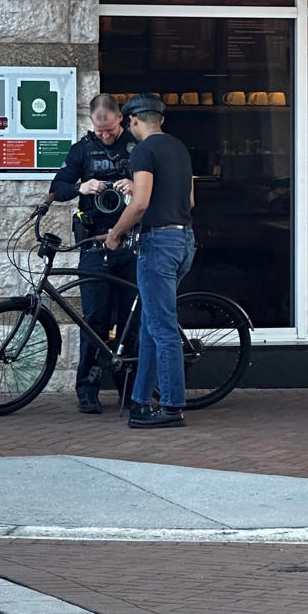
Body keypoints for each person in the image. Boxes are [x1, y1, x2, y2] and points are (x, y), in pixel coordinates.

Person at [101, 94, 196, 429]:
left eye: (128, 124)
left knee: (162, 327)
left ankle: (171, 407)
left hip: (158, 244)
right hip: (184, 239)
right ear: (161, 120)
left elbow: (140, 204)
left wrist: (115, 233)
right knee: (151, 325)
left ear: (134, 121)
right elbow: (189, 199)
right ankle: (140, 402)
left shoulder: (143, 151)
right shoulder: (179, 149)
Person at [50, 93, 137, 414]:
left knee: (133, 319)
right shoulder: (82, 150)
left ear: (121, 120)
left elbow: (158, 184)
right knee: (95, 319)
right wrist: (80, 188)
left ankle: (131, 390)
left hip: (132, 244)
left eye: (110, 130)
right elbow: (58, 187)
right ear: (92, 122)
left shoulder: (135, 147)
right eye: (99, 130)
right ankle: (88, 389)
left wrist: (134, 184)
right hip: (94, 246)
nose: (104, 135)